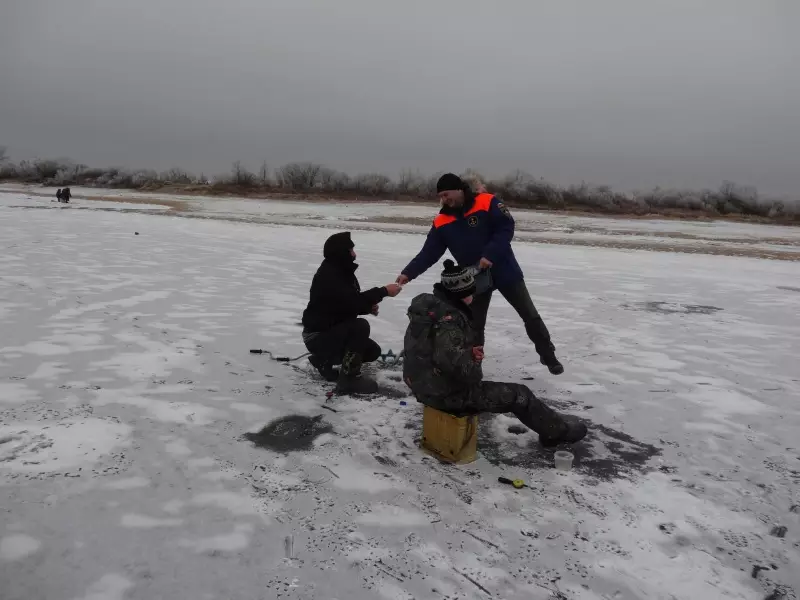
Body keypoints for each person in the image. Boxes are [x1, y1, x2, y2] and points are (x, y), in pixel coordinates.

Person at [403, 260, 587, 446]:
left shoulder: (428, 312)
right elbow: (465, 374)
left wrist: (465, 352)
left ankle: (551, 426)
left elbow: (434, 351)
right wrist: (473, 359)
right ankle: (556, 432)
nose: (473, 295)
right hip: (443, 394)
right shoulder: (450, 322)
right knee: (519, 395)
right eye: (470, 292)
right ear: (461, 294)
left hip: (420, 385)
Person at [397, 173, 564, 375]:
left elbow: (505, 227)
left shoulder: (487, 202)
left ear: (459, 189)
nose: (444, 200)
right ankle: (473, 367)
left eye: (446, 194)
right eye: (440, 196)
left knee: (529, 314)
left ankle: (548, 355)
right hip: (473, 278)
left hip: (505, 270)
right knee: (474, 325)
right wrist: (408, 273)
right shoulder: (442, 221)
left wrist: (490, 254)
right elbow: (429, 252)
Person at [302, 231, 403, 394]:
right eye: (351, 250)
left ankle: (322, 360)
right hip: (317, 336)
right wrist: (383, 291)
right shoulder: (330, 276)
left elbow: (346, 305)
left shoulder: (341, 272)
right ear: (342, 253)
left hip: (330, 331)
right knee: (360, 326)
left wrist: (367, 307)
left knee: (372, 351)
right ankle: (349, 379)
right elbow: (351, 302)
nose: (354, 254)